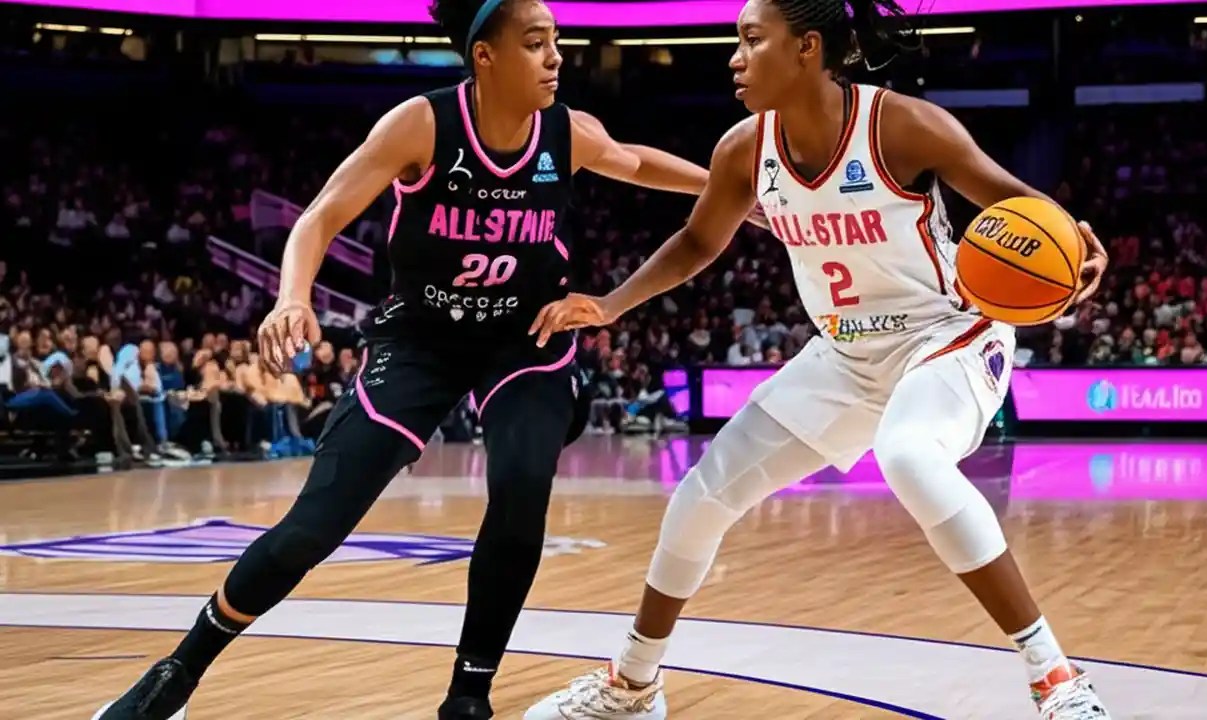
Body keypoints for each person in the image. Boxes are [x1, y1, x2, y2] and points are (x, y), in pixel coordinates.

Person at [92, 0, 732, 718]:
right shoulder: (422, 123)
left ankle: (468, 698)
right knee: (313, 526)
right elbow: (321, 216)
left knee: (521, 488)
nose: (556, 57)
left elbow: (635, 161)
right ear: (484, 56)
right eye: (534, 43)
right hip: (419, 341)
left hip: (524, 341)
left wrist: (734, 191)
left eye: (556, 41)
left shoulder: (568, 131)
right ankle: (175, 675)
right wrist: (292, 297)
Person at [522, 0, 1111, 719]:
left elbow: (1023, 209)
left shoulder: (902, 126)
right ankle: (632, 684)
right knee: (701, 496)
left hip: (948, 333)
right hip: (845, 354)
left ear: (806, 47)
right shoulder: (743, 148)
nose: (734, 58)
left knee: (908, 456)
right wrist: (612, 303)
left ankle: (1057, 678)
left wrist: (1080, 248)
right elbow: (699, 241)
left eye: (750, 40)